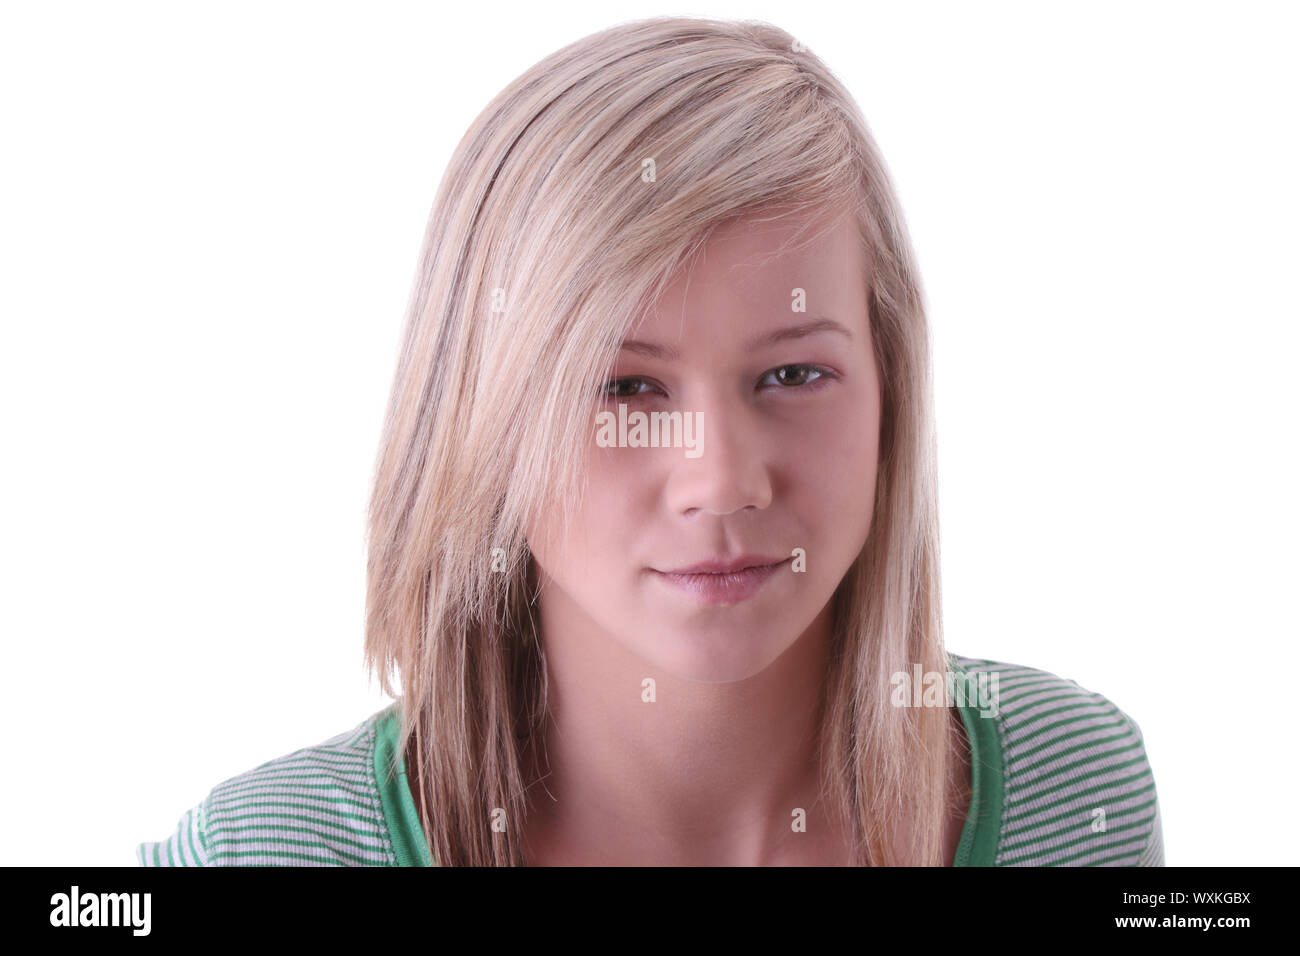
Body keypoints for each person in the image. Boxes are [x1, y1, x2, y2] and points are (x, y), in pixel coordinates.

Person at [138, 15, 1163, 867]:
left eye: (794, 374)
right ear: (481, 420)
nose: (721, 481)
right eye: (621, 386)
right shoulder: (257, 855)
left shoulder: (1076, 793)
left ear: (891, 388)